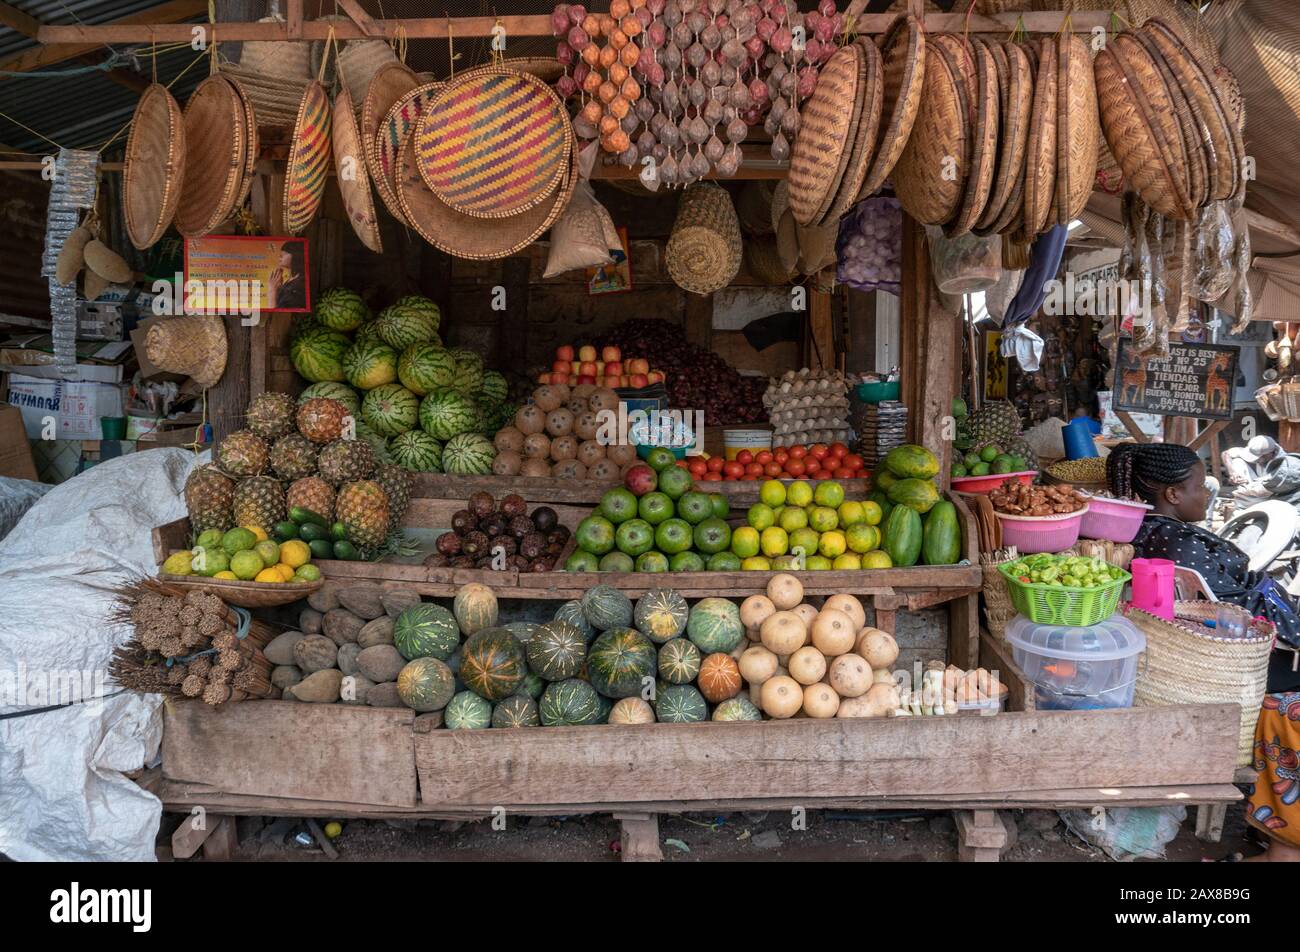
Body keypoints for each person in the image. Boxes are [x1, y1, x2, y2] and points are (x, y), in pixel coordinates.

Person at [1107, 442, 1300, 862]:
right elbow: (1237, 610)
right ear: (1173, 494)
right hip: (1248, 662)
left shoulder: (1149, 530)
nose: (1208, 493)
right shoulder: (1178, 542)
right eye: (1200, 486)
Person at [268, 241, 307, 310]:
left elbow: (278, 314)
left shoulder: (300, 284)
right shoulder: (292, 280)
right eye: (281, 253)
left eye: (285, 253)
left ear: (296, 255)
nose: (280, 256)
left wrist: (272, 292)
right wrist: (277, 290)